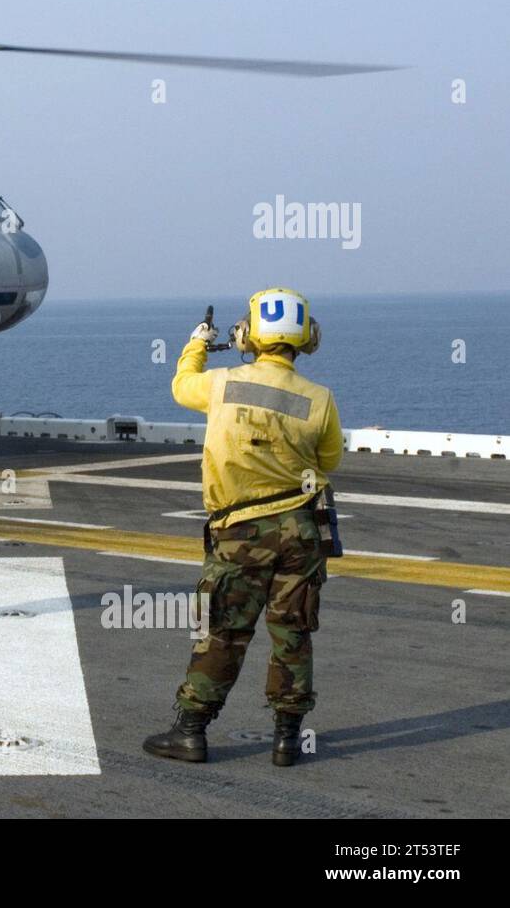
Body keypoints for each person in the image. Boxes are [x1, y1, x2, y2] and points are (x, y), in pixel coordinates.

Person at [143, 288, 343, 766]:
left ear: (248, 335)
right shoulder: (320, 400)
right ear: (306, 339)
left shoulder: (221, 383)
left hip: (238, 533)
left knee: (223, 631)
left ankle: (191, 731)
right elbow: (328, 461)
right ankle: (287, 740)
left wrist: (195, 342)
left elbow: (180, 385)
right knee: (293, 632)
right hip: (301, 531)